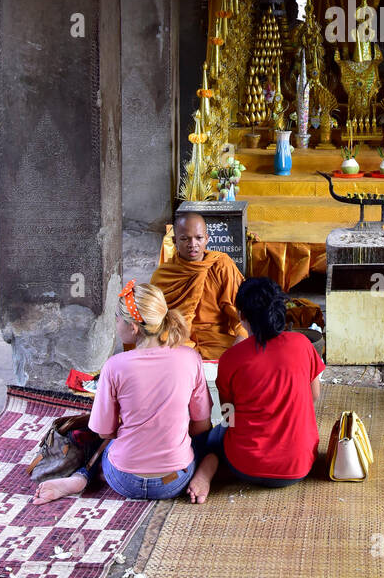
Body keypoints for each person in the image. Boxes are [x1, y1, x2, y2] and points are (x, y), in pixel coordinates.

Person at [31, 282, 216, 505]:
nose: (116, 324)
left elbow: (103, 432)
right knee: (211, 440)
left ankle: (82, 476)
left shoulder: (114, 366)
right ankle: (203, 474)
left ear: (133, 328)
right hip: (174, 481)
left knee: (110, 442)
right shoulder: (190, 358)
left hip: (123, 480)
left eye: (118, 319)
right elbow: (202, 425)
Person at [191, 276, 325, 496]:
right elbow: (314, 395)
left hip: (245, 465)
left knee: (214, 434)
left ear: (241, 316)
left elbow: (228, 414)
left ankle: (205, 473)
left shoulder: (231, 358)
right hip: (299, 466)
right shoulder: (302, 345)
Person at [150, 211, 247, 360]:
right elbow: (154, 318)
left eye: (199, 238)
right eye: (185, 239)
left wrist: (241, 338)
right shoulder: (164, 275)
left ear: (207, 239)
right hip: (177, 342)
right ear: (175, 241)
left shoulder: (221, 265)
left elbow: (240, 311)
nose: (192, 245)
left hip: (217, 340)